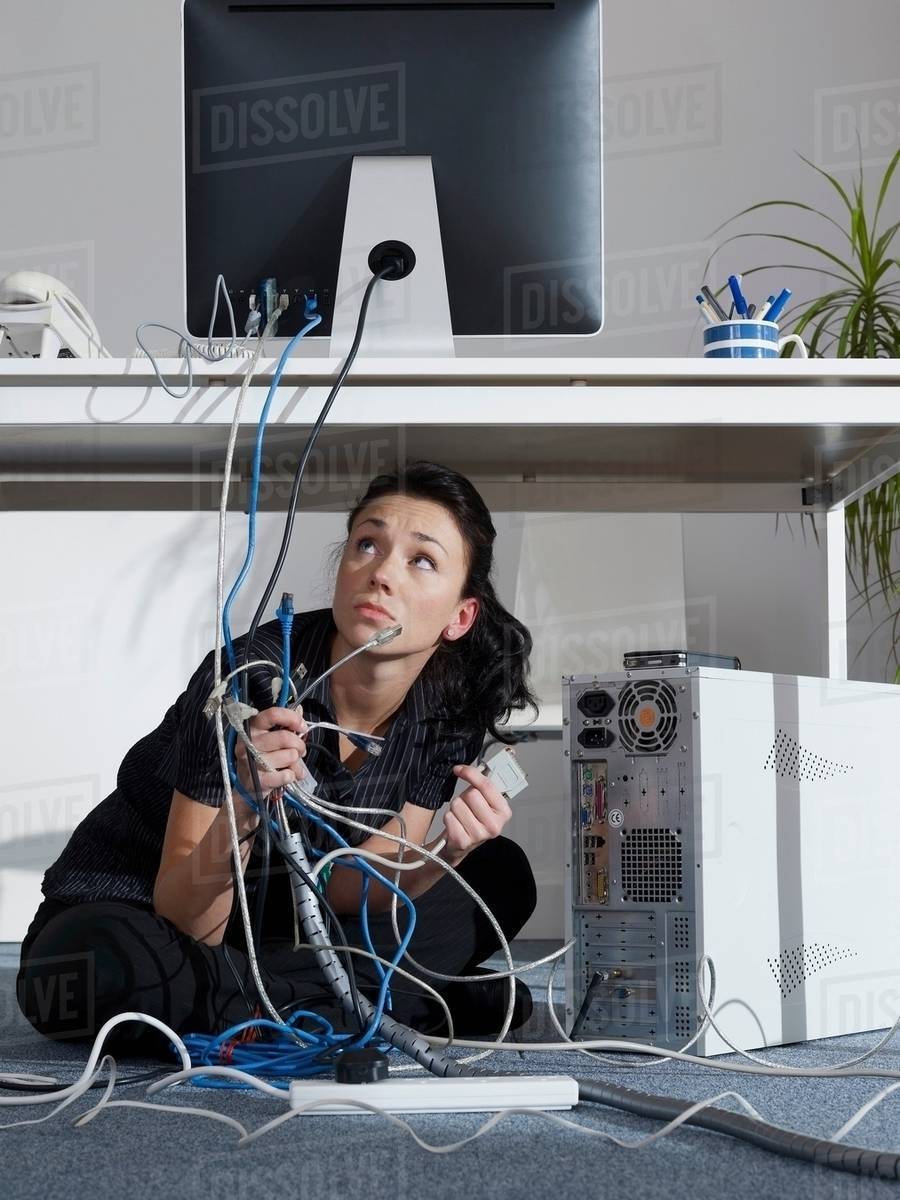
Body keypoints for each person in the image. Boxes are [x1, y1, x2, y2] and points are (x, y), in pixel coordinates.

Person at [16, 460, 540, 1061]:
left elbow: (354, 890)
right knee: (107, 963)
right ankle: (395, 1001)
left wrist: (446, 853)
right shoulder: (245, 679)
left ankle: (306, 1003)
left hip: (282, 934)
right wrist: (241, 805)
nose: (382, 573)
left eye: (421, 560)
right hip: (143, 913)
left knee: (498, 874)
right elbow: (190, 922)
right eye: (367, 544)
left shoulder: (449, 706)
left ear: (460, 616)